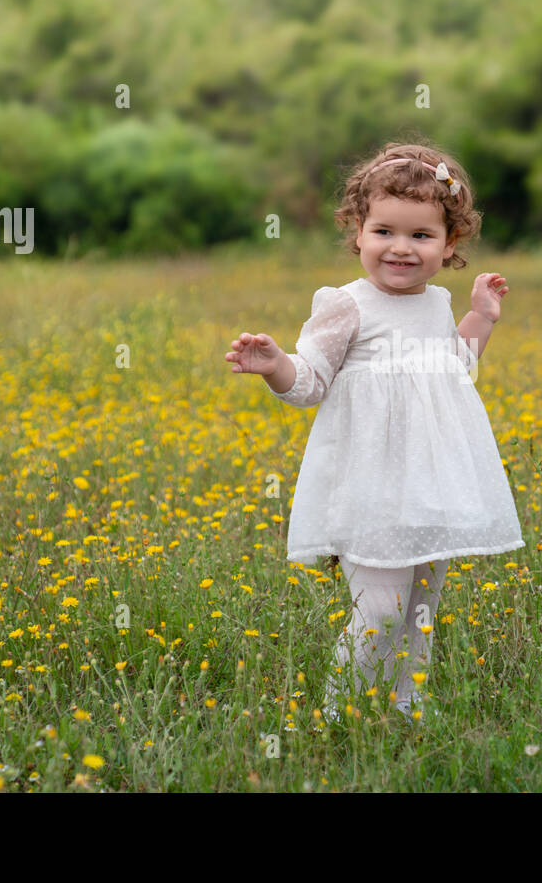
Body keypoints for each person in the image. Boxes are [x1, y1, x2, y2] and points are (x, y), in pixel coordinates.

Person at [225, 140, 525, 724]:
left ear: (449, 245)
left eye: (421, 236)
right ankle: (339, 713)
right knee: (382, 608)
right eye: (384, 231)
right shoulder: (346, 305)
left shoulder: (438, 303)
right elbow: (309, 381)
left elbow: (455, 369)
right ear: (358, 232)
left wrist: (480, 317)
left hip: (431, 484)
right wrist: (275, 365)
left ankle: (408, 704)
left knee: (418, 608)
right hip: (368, 489)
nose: (401, 248)